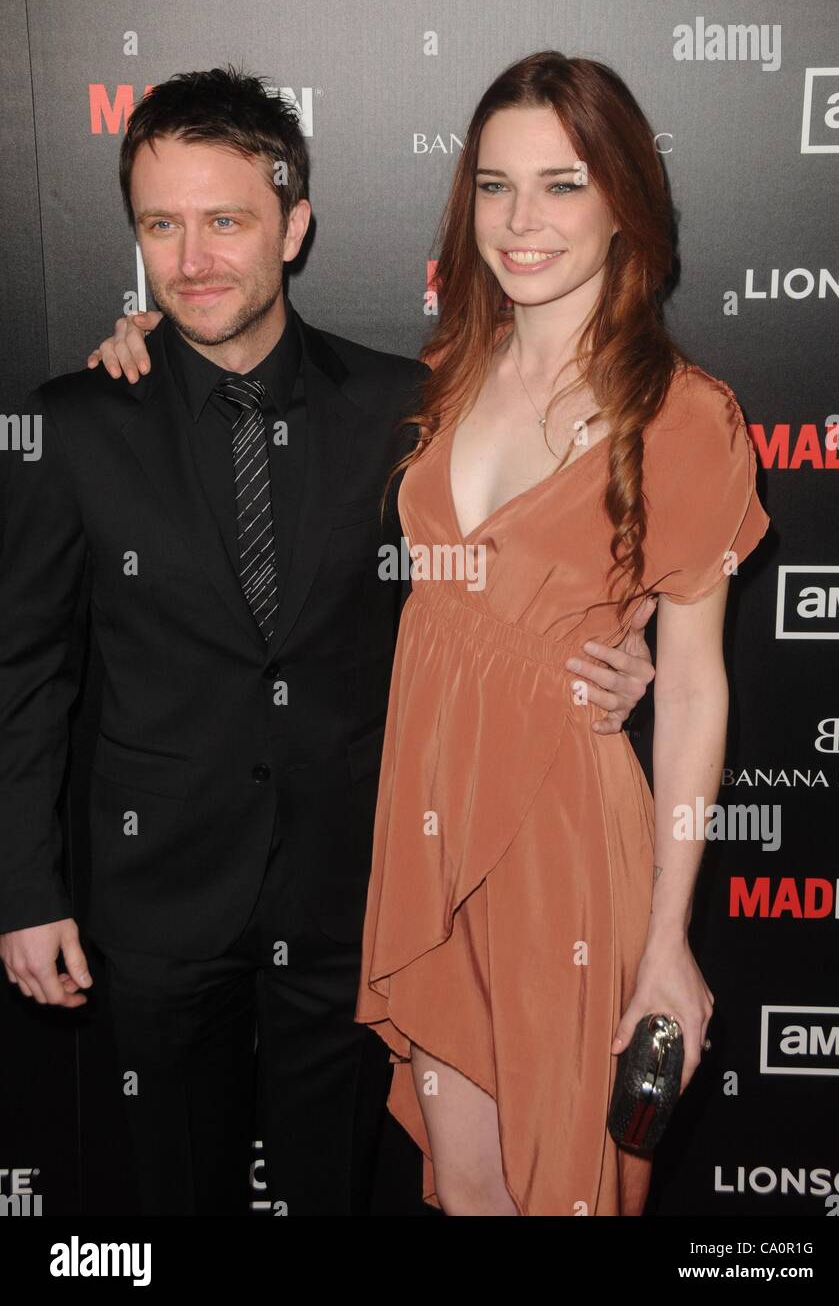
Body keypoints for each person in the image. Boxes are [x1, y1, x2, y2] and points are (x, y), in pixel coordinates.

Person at [0, 65, 655, 1217]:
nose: (193, 258)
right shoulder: (76, 423)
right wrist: (22, 888)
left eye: (226, 221)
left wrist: (616, 654)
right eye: (161, 224)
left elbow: (492, 602)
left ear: (294, 227)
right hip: (151, 908)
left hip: (359, 899)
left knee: (336, 1195)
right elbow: (26, 676)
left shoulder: (411, 411)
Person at [351, 51, 771, 1217]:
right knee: (469, 1192)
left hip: (561, 835)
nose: (519, 221)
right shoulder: (442, 374)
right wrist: (146, 340)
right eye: (494, 186)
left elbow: (689, 690)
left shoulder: (681, 419)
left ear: (625, 201)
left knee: (564, 1189)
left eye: (562, 184)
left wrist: (665, 945)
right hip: (428, 823)